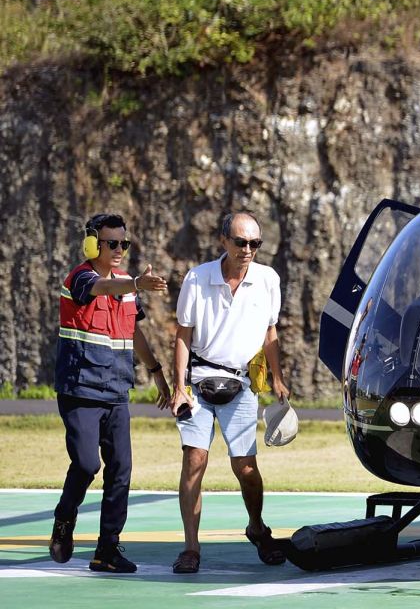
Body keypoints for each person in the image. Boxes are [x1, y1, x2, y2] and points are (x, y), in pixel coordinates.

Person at [169, 211, 290, 575]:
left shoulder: (268, 279)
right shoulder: (197, 278)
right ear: (223, 241)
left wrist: (278, 378)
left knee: (246, 467)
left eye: (255, 243)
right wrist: (179, 388)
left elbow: (271, 333)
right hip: (199, 380)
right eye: (241, 242)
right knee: (195, 461)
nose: (248, 249)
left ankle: (256, 526)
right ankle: (191, 547)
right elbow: (182, 335)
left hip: (242, 383)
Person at [51, 213, 170, 573]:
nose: (119, 249)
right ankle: (64, 519)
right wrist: (136, 282)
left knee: (121, 471)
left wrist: (157, 373)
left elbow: (134, 333)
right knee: (87, 464)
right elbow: (101, 289)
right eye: (111, 243)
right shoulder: (81, 277)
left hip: (117, 389)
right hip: (81, 389)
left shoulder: (125, 285)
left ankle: (107, 550)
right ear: (93, 244)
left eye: (124, 243)